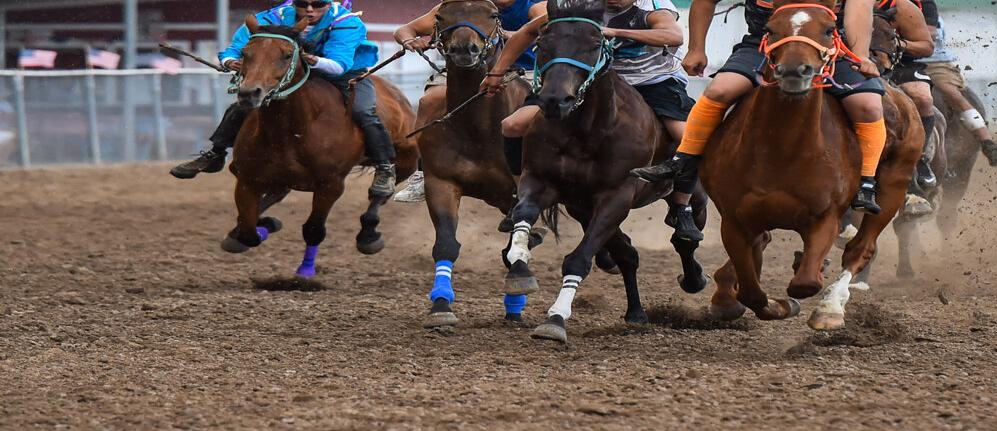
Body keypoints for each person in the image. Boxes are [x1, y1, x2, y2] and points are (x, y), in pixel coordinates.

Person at [631, 0, 889, 215]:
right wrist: (697, 48)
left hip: (826, 47)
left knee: (868, 105)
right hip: (765, 43)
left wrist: (860, 55)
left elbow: (858, 11)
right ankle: (682, 161)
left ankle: (866, 182)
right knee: (720, 90)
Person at [482, 0, 704, 241]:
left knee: (688, 138)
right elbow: (527, 32)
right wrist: (496, 72)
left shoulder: (654, 5)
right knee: (512, 125)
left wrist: (615, 32)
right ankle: (520, 196)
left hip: (654, 81)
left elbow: (673, 35)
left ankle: (682, 207)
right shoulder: (582, 7)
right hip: (595, 83)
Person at [171, 1, 398, 197]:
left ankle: (384, 166)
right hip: (288, 69)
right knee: (243, 104)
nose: (309, 9)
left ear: (329, 4)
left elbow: (339, 64)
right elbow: (237, 47)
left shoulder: (346, 22)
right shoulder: (272, 17)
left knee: (364, 111)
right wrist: (230, 61)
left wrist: (310, 60)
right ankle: (215, 153)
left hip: (344, 72)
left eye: (318, 4)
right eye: (302, 3)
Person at [392, 0, 542, 203]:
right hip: (465, 71)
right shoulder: (463, 5)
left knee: (544, 108)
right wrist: (410, 41)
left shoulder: (536, 6)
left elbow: (547, 30)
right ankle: (423, 171)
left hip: (525, 71)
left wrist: (510, 35)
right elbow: (406, 29)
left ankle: (544, 172)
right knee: (430, 101)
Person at [917, 0, 997, 166]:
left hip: (932, 61)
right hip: (892, 59)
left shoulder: (926, 4)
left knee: (951, 93)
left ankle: (987, 142)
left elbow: (931, 33)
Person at [874, 0, 937, 188]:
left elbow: (927, 46)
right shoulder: (840, 4)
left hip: (902, 65)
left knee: (922, 98)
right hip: (852, 62)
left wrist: (898, 43)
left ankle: (920, 159)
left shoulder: (901, 5)